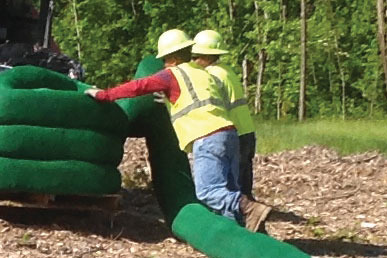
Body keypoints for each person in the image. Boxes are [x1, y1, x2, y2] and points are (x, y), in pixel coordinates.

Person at [88, 28, 271, 232]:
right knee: (228, 188)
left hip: (206, 137)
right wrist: (169, 100)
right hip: (229, 133)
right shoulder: (203, 73)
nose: (164, 64)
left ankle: (248, 207)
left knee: (209, 191)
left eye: (165, 60)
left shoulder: (171, 75)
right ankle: (245, 234)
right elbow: (196, 99)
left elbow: (139, 86)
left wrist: (104, 95)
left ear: (173, 58)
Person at [192, 29, 257, 199]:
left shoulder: (212, 76)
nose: (193, 61)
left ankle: (241, 218)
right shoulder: (226, 71)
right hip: (247, 131)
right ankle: (251, 215)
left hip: (234, 133)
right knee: (244, 182)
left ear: (205, 56)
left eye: (195, 57)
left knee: (230, 184)